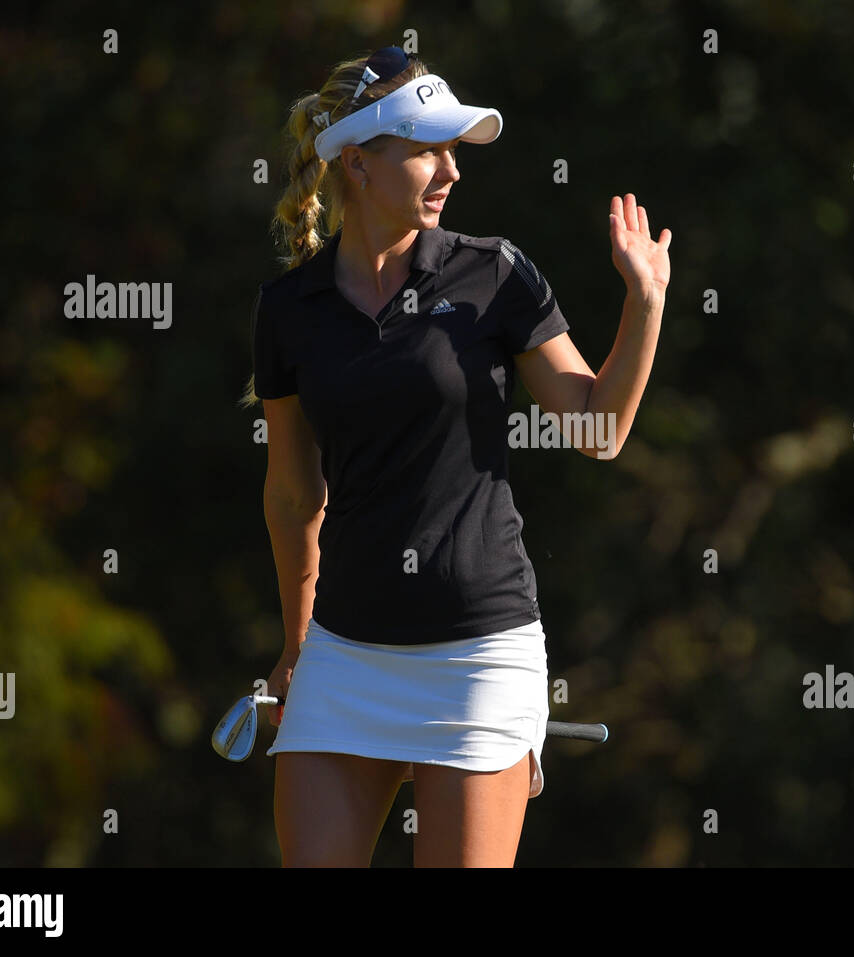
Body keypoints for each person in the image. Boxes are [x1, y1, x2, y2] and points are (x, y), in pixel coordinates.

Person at [238, 46, 670, 867]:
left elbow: (597, 428)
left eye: (453, 151)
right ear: (358, 163)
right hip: (345, 653)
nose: (450, 172)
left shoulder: (494, 274)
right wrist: (297, 646)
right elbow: (295, 495)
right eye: (427, 150)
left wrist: (644, 307)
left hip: (479, 655)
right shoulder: (289, 310)